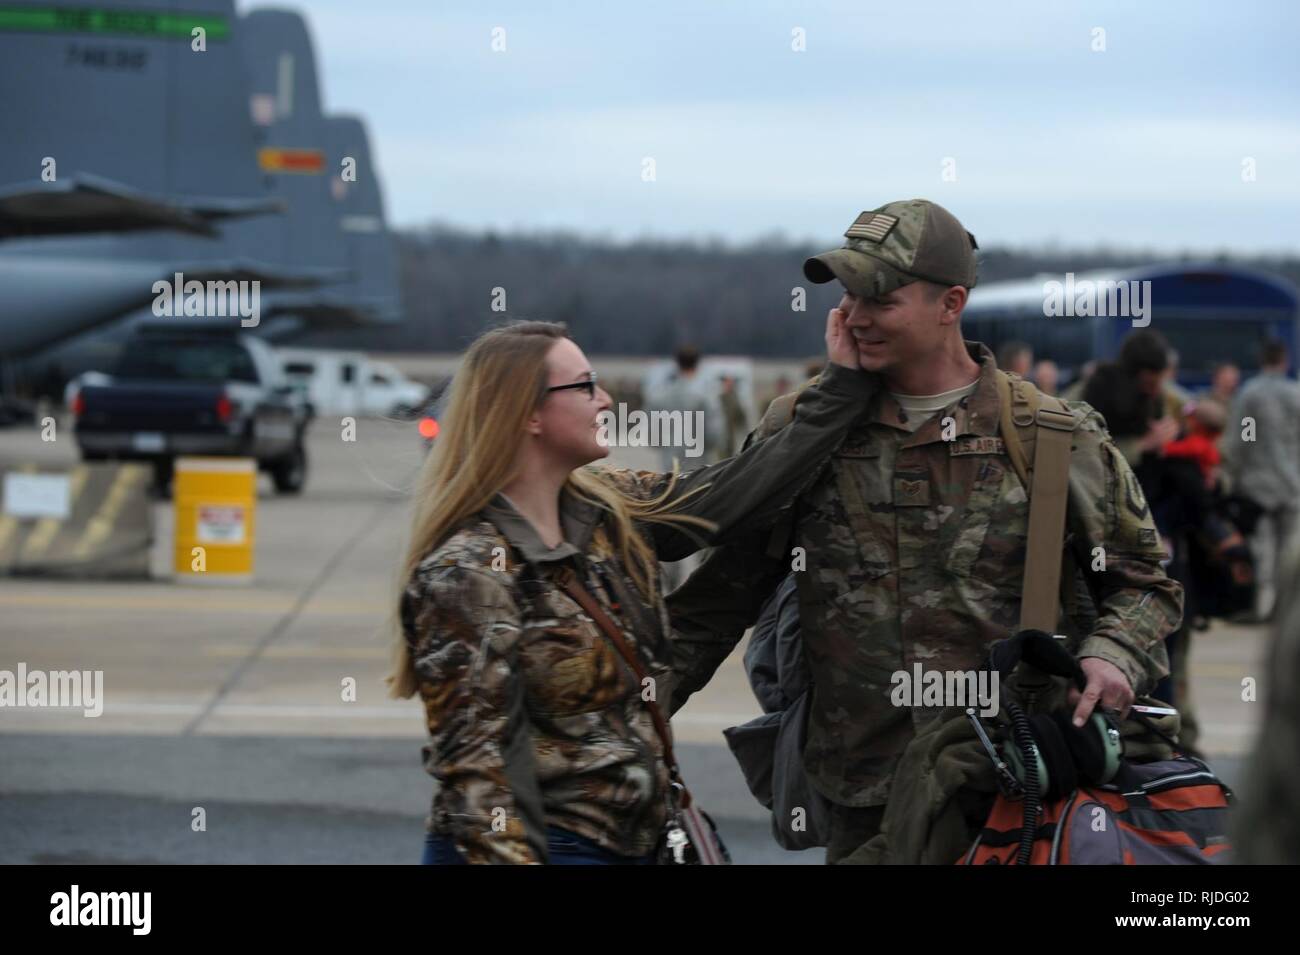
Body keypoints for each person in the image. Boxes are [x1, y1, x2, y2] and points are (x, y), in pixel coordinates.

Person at [667, 199, 1182, 864]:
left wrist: (1114, 653)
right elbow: (718, 602)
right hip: (862, 802)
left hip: (1013, 789)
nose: (854, 315)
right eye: (848, 294)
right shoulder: (802, 431)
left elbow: (1145, 581)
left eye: (879, 297)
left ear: (952, 303)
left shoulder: (1052, 435)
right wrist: (621, 722)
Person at [390, 317, 871, 864]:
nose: (606, 399)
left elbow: (727, 499)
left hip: (631, 837)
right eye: (585, 386)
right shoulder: (469, 571)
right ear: (526, 414)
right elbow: (482, 784)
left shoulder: (606, 505)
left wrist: (840, 390)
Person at [1222, 339, 1300, 622]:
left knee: (1261, 548)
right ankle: (1286, 609)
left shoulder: (1250, 394)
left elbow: (1242, 437)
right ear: (1285, 360)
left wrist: (1236, 471)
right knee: (1288, 548)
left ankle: (1261, 607)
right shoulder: (1296, 393)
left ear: (1261, 359)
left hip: (1257, 482)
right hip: (1293, 483)